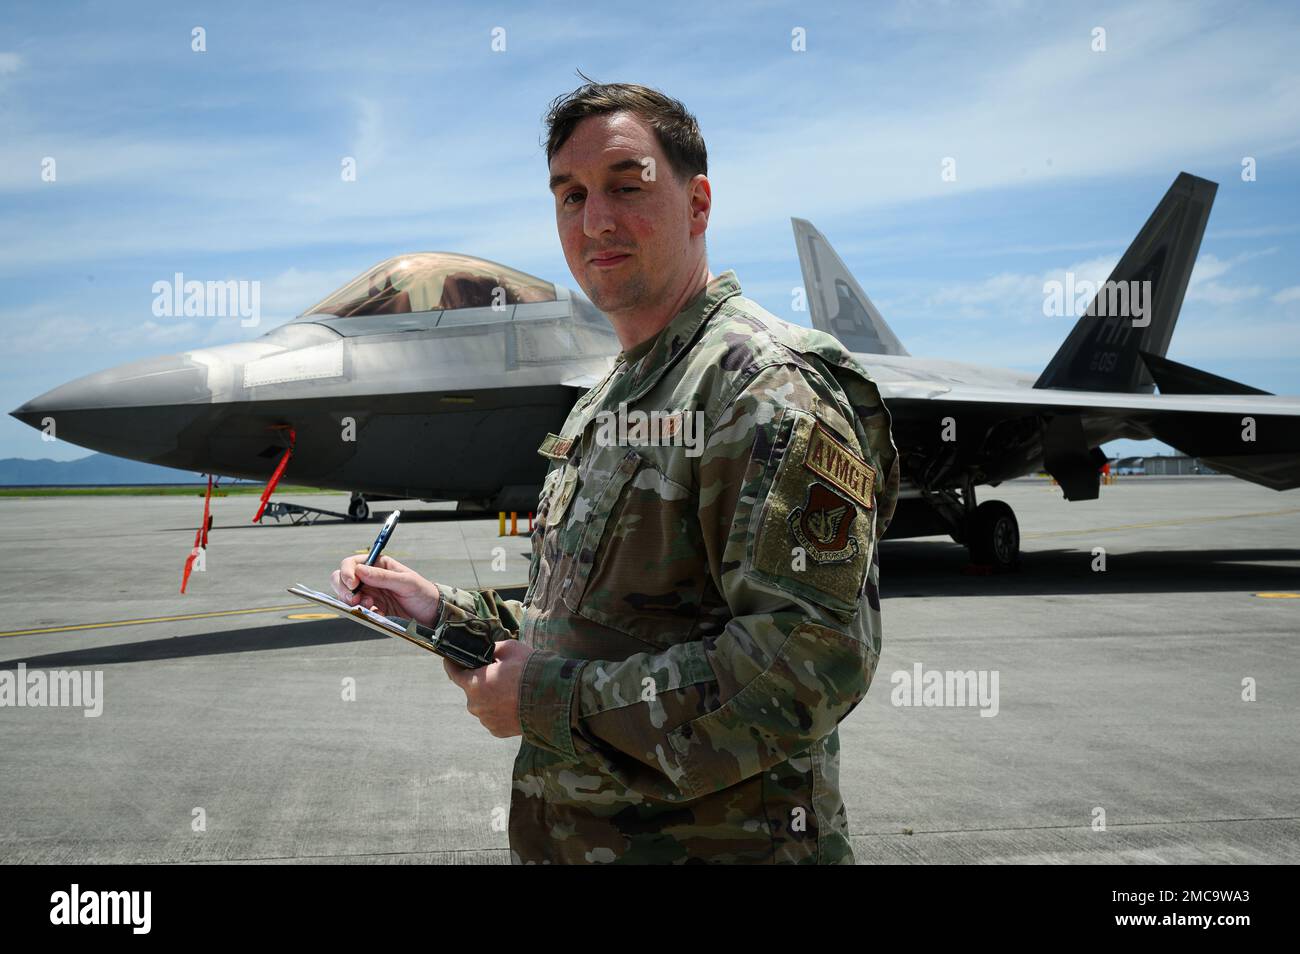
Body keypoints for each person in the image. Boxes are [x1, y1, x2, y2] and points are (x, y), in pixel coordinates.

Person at [331, 81, 899, 864]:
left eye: (627, 186)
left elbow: (809, 662)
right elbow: (589, 629)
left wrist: (544, 701)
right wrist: (441, 615)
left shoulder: (760, 385)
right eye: (570, 195)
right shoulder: (613, 396)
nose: (595, 219)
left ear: (697, 204)